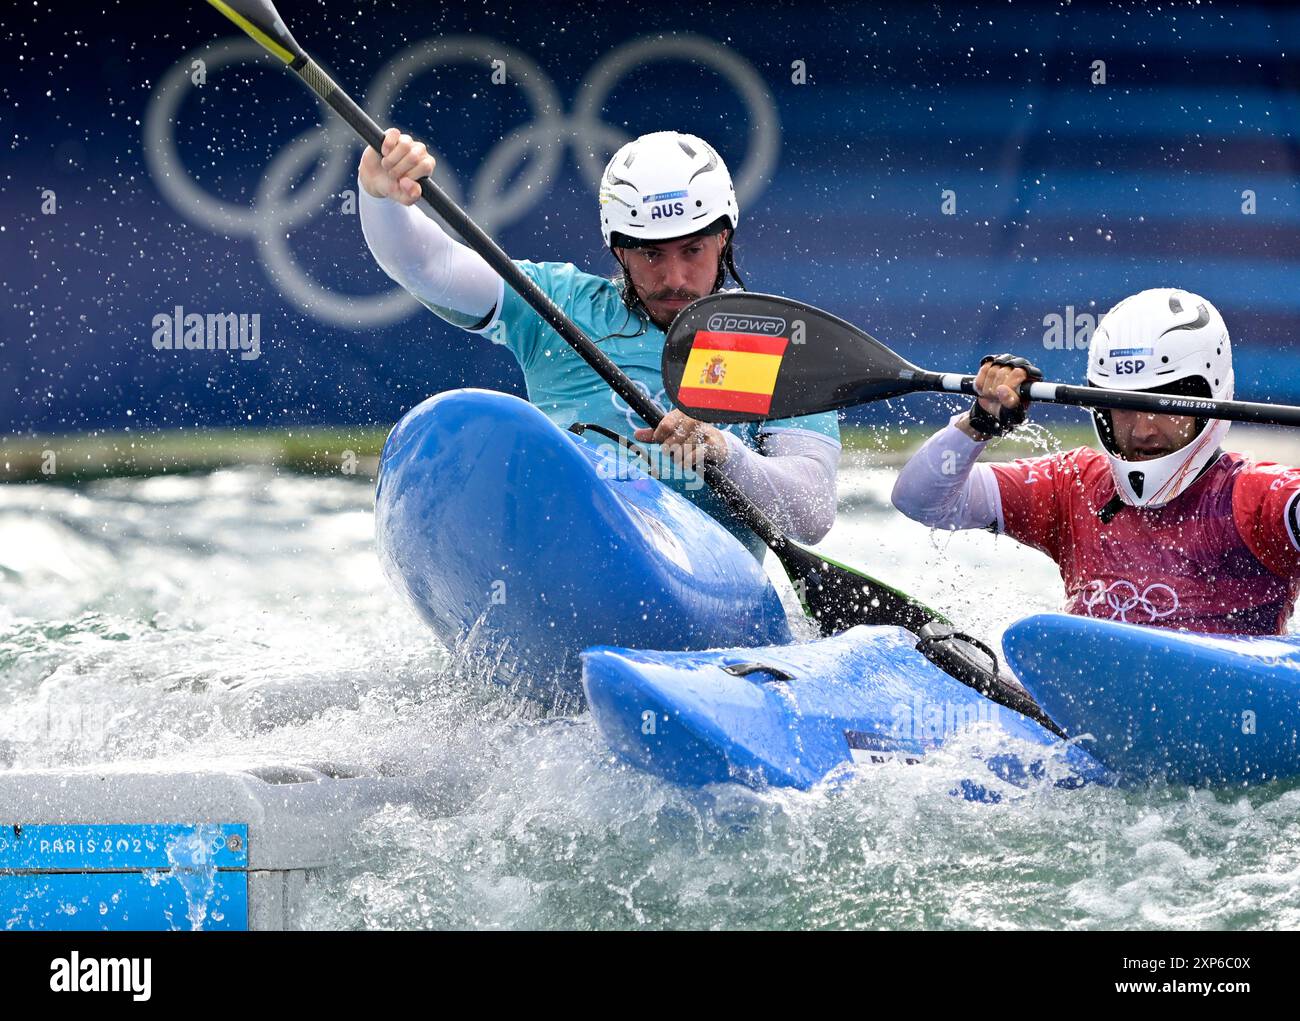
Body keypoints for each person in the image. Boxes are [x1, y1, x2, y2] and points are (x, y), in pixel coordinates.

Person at [357, 128, 840, 557]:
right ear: (618, 248)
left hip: (708, 576)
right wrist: (381, 197)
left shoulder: (773, 344)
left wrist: (724, 452)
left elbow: (812, 513)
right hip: (565, 550)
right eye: (650, 254)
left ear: (724, 239)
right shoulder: (556, 304)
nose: (674, 277)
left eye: (692, 250)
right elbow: (430, 267)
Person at [891, 288, 1300, 634]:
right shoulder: (1072, 485)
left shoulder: (1261, 500)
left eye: (1164, 405)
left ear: (1212, 398)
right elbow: (920, 501)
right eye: (1122, 407)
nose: (1143, 431)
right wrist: (979, 423)